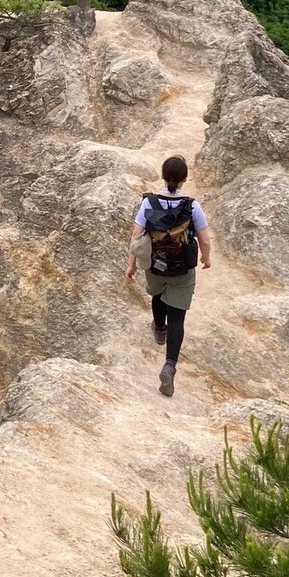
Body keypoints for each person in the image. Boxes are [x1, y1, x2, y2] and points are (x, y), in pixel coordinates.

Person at [124, 154, 211, 397]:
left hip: (154, 263)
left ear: (163, 178)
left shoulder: (149, 203)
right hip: (182, 267)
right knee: (178, 318)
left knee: (158, 293)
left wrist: (131, 265)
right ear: (184, 179)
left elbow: (137, 237)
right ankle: (170, 365)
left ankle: (159, 329)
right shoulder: (192, 206)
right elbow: (203, 238)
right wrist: (206, 258)